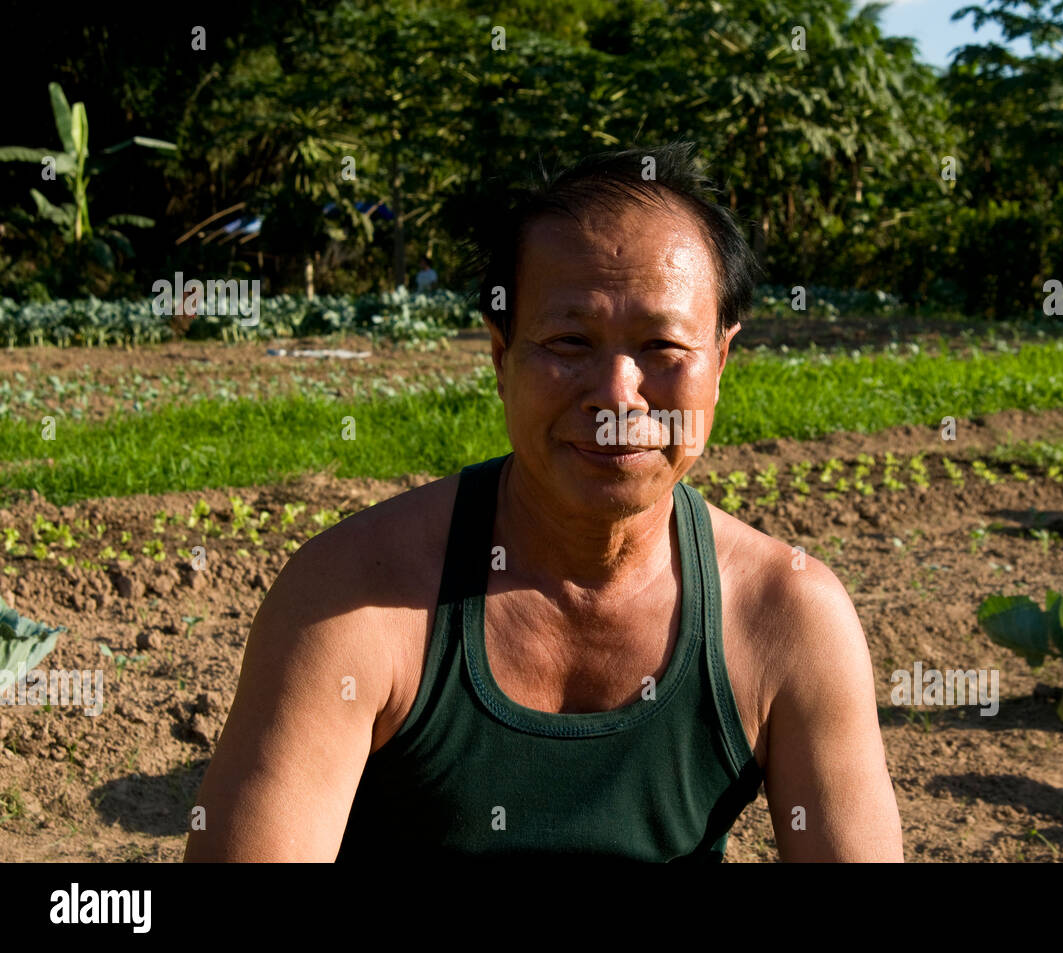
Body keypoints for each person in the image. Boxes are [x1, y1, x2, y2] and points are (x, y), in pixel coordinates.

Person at [183, 141, 903, 862]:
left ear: (720, 363)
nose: (619, 395)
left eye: (663, 346)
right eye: (568, 340)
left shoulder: (787, 616)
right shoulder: (349, 598)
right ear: (500, 357)